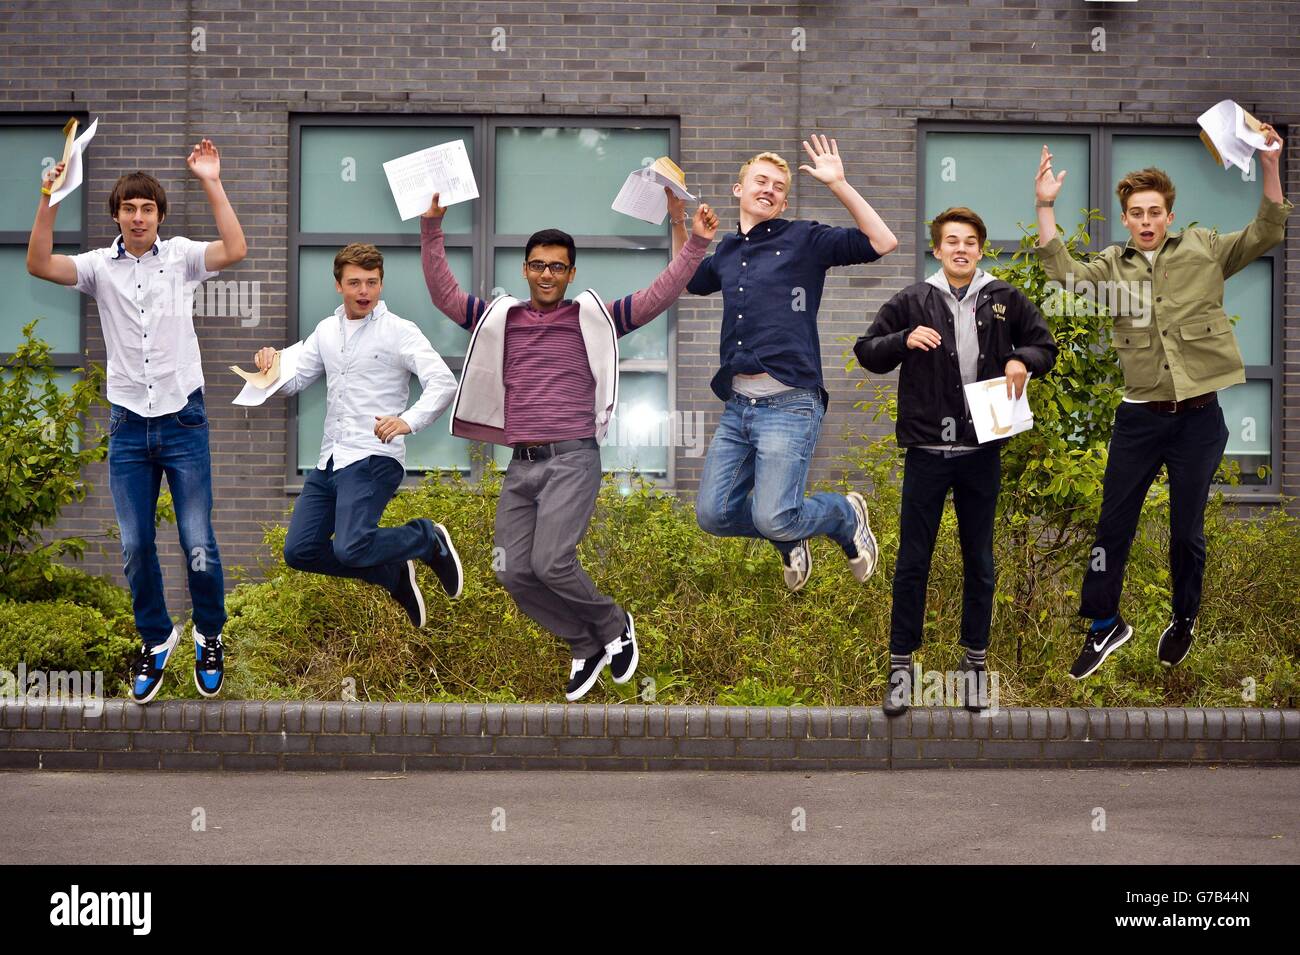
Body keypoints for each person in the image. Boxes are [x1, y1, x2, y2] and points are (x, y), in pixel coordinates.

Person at [421, 188, 718, 701]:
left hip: (573, 458)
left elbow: (656, 296)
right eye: (537, 265)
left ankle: (613, 623)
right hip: (522, 465)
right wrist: (431, 227)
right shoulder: (501, 321)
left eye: (557, 267)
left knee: (552, 562)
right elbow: (445, 296)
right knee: (513, 571)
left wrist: (694, 244)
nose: (547, 275)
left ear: (571, 274)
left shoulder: (592, 320)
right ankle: (584, 642)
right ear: (525, 270)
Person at [1034, 127, 1291, 678]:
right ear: (1125, 219)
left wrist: (1270, 165)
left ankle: (1184, 618)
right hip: (1139, 418)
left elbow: (1267, 230)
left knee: (1185, 530)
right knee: (1112, 527)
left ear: (1169, 216)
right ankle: (1104, 626)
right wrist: (1045, 206)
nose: (1146, 221)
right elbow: (1064, 277)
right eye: (1136, 212)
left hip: (1199, 419)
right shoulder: (1111, 267)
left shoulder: (1204, 249)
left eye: (1155, 211)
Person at [27, 140, 247, 704]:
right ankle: (156, 637)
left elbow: (236, 248)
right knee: (135, 544)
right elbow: (38, 262)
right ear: (116, 216)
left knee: (197, 538)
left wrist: (212, 180)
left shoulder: (181, 257)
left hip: (183, 418)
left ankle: (209, 634)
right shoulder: (100, 268)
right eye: (129, 208)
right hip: (128, 422)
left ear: (160, 216)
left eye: (148, 208)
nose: (138, 216)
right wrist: (49, 196)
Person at [856, 207, 1057, 715]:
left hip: (980, 453)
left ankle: (973, 669)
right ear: (938, 249)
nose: (961, 248)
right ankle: (901, 669)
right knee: (912, 564)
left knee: (980, 563)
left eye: (970, 241)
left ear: (980, 249)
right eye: (951, 241)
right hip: (927, 451)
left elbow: (1044, 345)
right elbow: (867, 351)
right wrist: (903, 339)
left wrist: (1021, 360)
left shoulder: (1004, 299)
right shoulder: (915, 299)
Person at [687, 136, 899, 592]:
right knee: (714, 514)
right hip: (738, 405)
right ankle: (788, 536)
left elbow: (883, 241)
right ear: (737, 189)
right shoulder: (723, 251)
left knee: (775, 515)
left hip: (790, 403)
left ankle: (844, 513)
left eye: (779, 186)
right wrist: (688, 235)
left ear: (783, 200)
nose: (769, 189)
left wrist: (839, 184)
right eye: (760, 181)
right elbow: (686, 279)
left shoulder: (805, 239)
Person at [253, 243, 464, 630]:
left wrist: (408, 421)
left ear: (381, 283)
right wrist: (270, 364)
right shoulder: (326, 331)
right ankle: (393, 574)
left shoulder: (400, 331)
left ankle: (426, 539)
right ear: (339, 286)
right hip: (329, 460)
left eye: (372, 282)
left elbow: (443, 382)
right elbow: (294, 380)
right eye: (355, 282)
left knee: (350, 546)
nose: (364, 291)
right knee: (300, 551)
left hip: (373, 456)